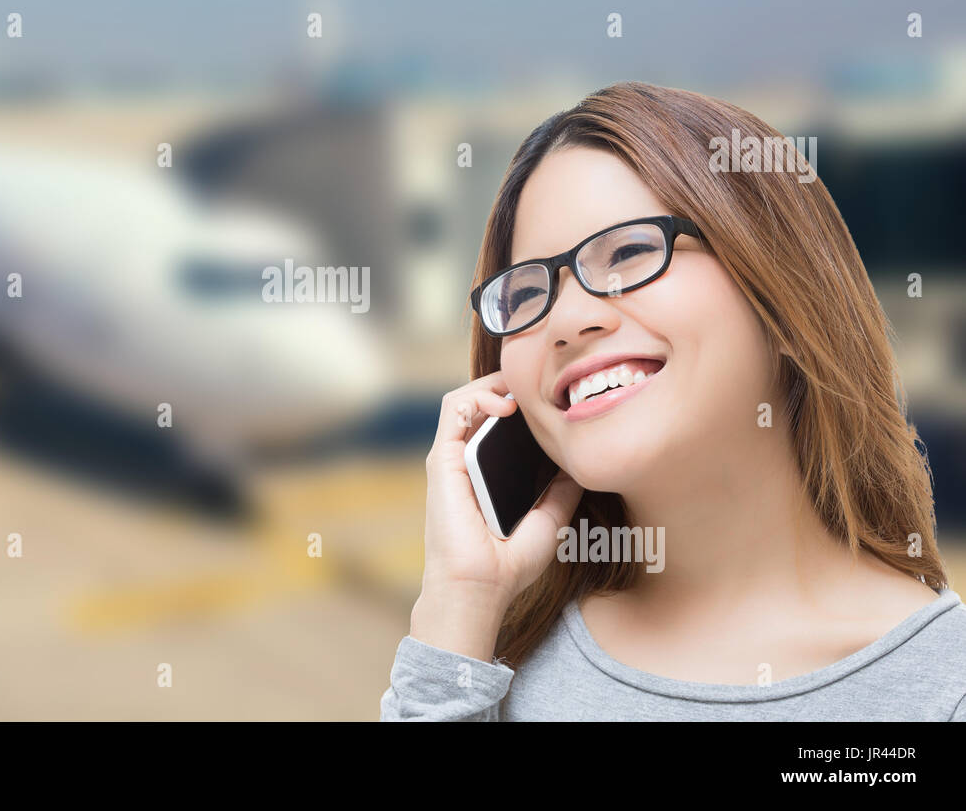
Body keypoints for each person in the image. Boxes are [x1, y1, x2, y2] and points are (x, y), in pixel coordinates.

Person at [380, 81, 966, 720]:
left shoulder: (941, 687)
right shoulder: (480, 666)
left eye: (628, 252)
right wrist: (459, 598)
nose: (567, 320)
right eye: (525, 294)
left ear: (786, 301)